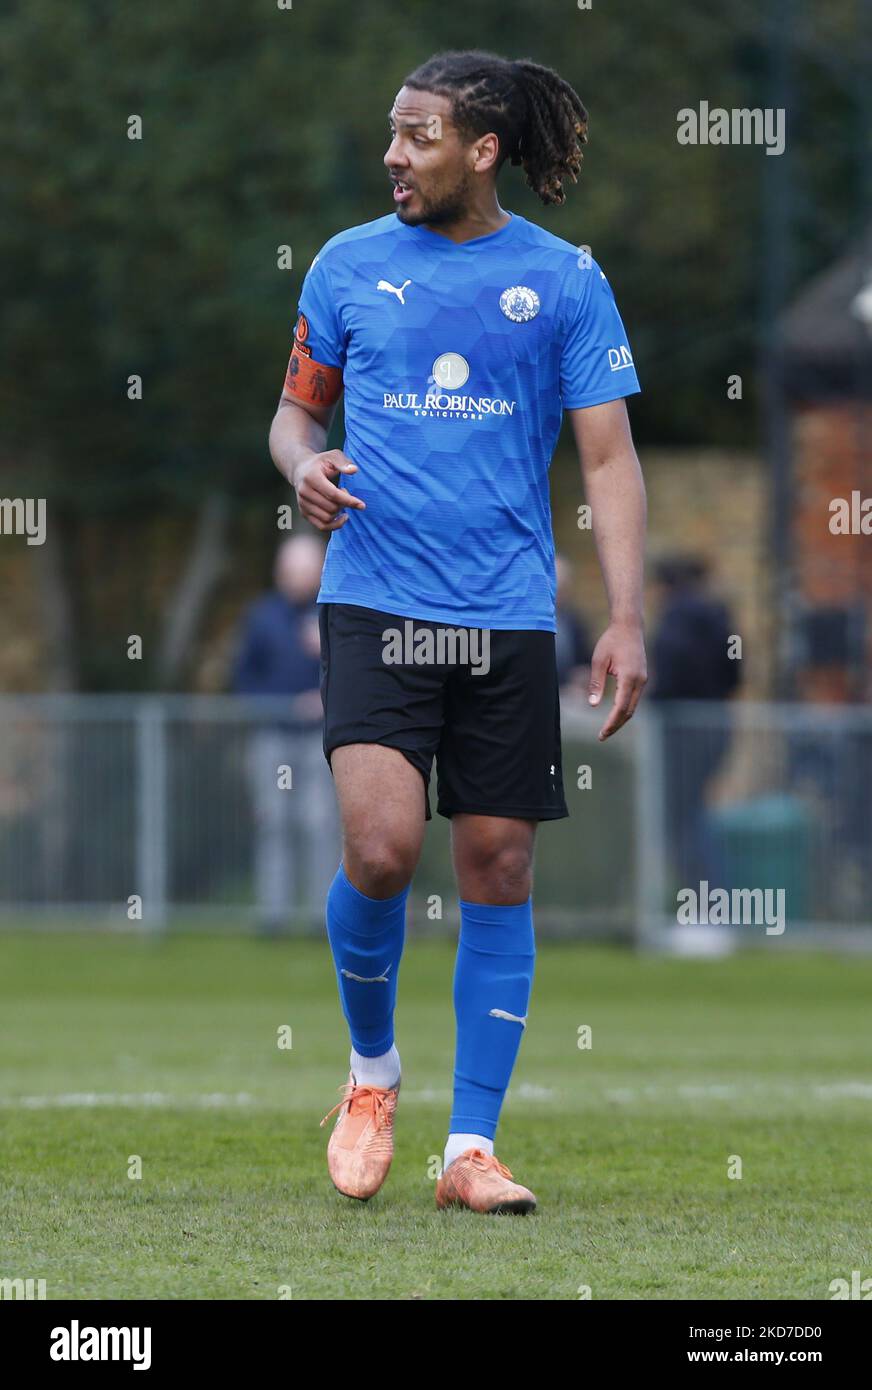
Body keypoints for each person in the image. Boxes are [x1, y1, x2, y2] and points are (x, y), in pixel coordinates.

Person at [269, 50, 647, 1214]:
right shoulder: (343, 266)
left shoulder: (564, 280)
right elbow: (293, 413)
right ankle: (371, 1075)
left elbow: (606, 456)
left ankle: (468, 1149)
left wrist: (625, 614)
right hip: (375, 599)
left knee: (497, 862)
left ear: (482, 151)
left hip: (505, 615)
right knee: (380, 849)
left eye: (419, 135)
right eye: (391, 131)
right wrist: (303, 468)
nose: (394, 153)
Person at [233, 535, 338, 935]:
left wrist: (329, 668)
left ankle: (319, 917)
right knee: (273, 822)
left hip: (322, 739)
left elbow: (364, 677)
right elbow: (242, 680)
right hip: (273, 737)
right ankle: (272, 916)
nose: (297, 578)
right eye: (291, 570)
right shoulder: (262, 617)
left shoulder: (334, 615)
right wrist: (284, 705)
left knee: (319, 823)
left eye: (305, 569)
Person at [648, 555, 741, 891]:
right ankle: (708, 901)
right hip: (716, 723)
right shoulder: (718, 615)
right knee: (694, 811)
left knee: (684, 817)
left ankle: (708, 902)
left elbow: (673, 667)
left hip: (683, 728)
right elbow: (734, 673)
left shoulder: (678, 616)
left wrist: (655, 700)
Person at [554, 552, 593, 692]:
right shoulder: (528, 623)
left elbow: (586, 661)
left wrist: (583, 676)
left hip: (571, 697)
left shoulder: (575, 621)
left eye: (563, 587)